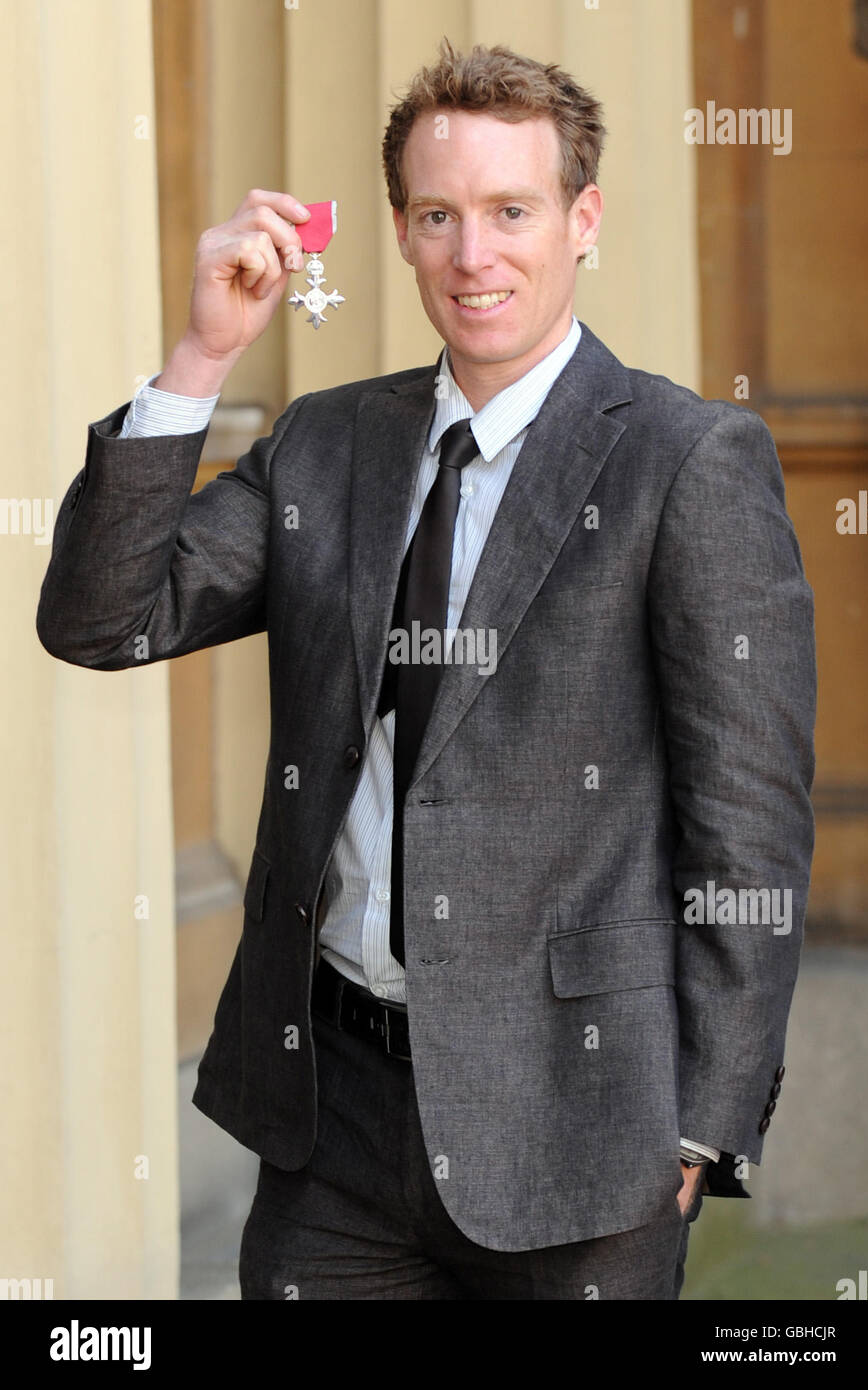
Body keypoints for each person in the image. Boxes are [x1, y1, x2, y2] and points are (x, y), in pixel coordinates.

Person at [36, 39, 816, 1300]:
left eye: (513, 210)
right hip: (332, 1122)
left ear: (583, 218)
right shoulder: (329, 444)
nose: (475, 255)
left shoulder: (689, 460)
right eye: (439, 215)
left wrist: (699, 1126)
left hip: (581, 1127)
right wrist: (202, 356)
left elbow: (750, 820)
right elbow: (101, 617)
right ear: (397, 230)